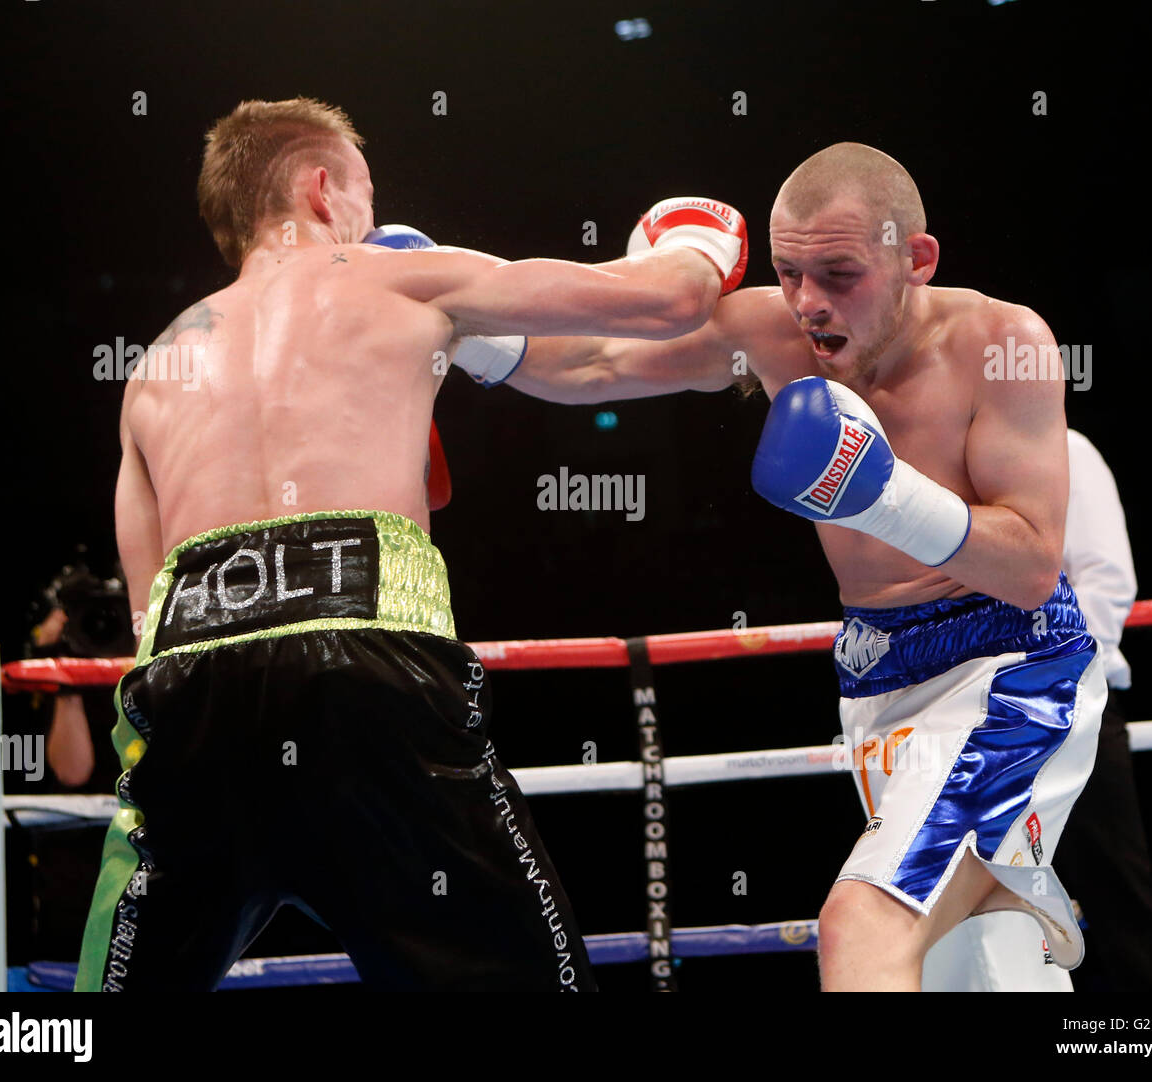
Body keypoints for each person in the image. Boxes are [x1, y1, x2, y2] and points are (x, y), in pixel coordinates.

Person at [75, 96, 749, 992]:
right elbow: (665, 303)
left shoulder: (152, 366)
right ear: (321, 190)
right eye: (364, 191)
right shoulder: (396, 278)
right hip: (370, 681)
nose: (371, 214)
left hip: (189, 703)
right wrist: (694, 236)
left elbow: (146, 612)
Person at [505, 142, 1105, 991]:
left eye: (839, 273)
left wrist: (884, 492)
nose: (808, 303)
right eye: (789, 272)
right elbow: (592, 362)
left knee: (864, 921)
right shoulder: (773, 331)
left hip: (1012, 672)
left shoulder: (1002, 342)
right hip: (875, 679)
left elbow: (1035, 565)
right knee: (971, 962)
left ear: (917, 260)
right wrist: (450, 318)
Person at [923, 429, 1152, 990]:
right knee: (983, 907)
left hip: (1073, 711)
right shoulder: (937, 462)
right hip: (969, 720)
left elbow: (1107, 579)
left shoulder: (1065, 450)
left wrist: (1053, 680)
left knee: (1118, 898)